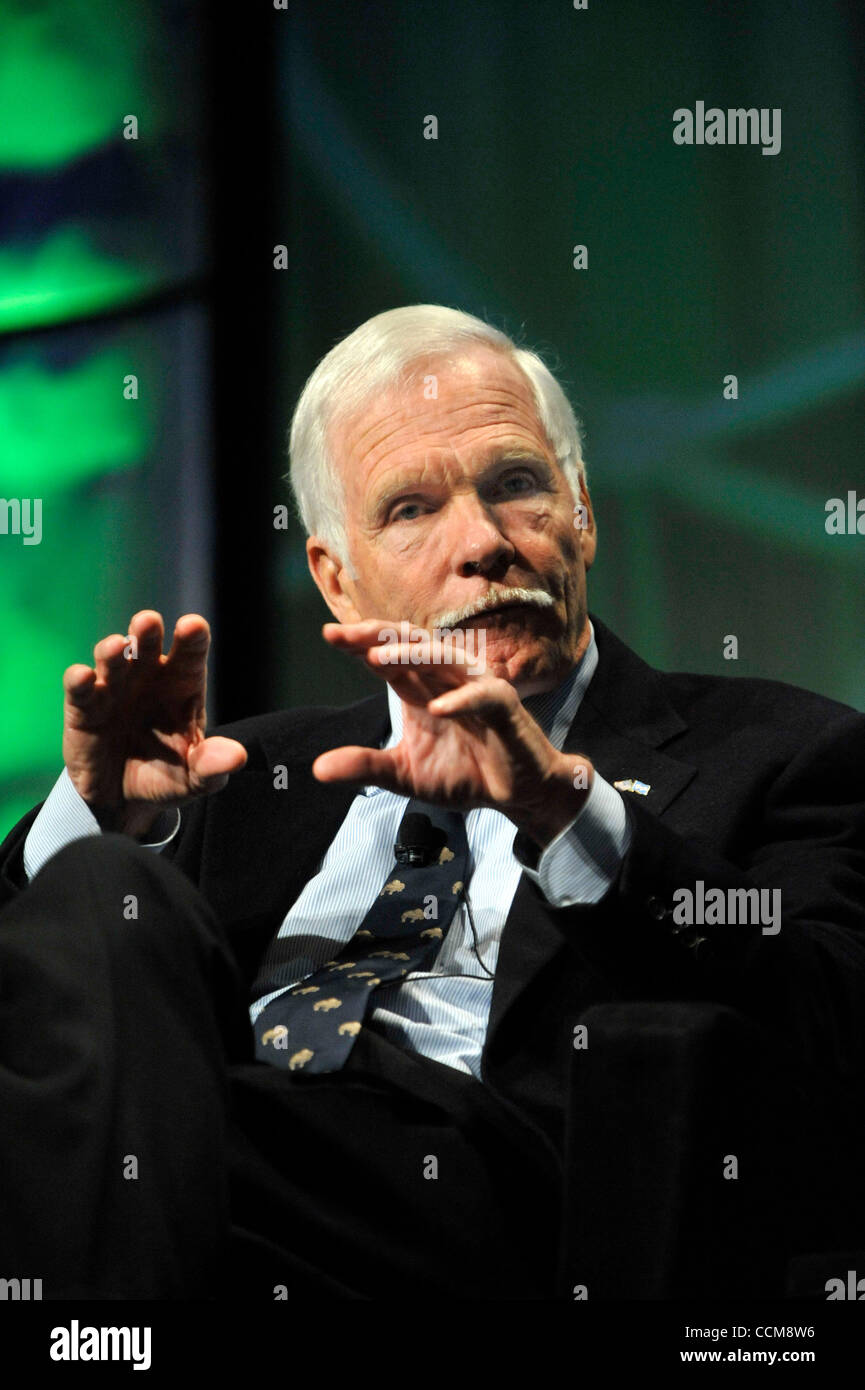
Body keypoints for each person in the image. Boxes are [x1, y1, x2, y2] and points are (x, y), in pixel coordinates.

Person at [1, 305, 864, 1301]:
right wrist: (94, 812)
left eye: (516, 485)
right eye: (411, 510)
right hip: (203, 1181)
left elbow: (832, 1028)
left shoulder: (781, 751)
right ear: (336, 577)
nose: (484, 543)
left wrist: (555, 805)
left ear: (580, 512)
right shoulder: (236, 773)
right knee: (108, 888)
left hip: (480, 1204)